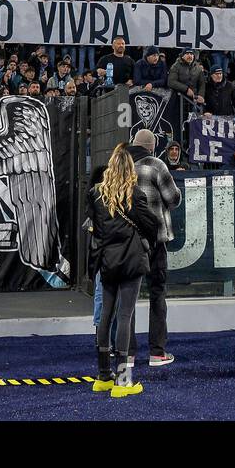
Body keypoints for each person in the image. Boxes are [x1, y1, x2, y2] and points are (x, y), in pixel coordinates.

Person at [88, 143, 159, 397]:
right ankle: (122, 382)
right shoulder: (136, 195)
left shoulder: (96, 194)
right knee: (125, 316)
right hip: (131, 260)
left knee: (105, 316)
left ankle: (103, 377)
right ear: (130, 169)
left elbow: (95, 229)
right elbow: (153, 224)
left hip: (107, 260)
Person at [130, 129, 182, 367]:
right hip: (157, 239)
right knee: (157, 293)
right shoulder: (156, 165)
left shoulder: (121, 164)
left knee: (126, 297)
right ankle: (157, 352)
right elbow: (173, 199)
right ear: (151, 146)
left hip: (129, 240)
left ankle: (126, 353)